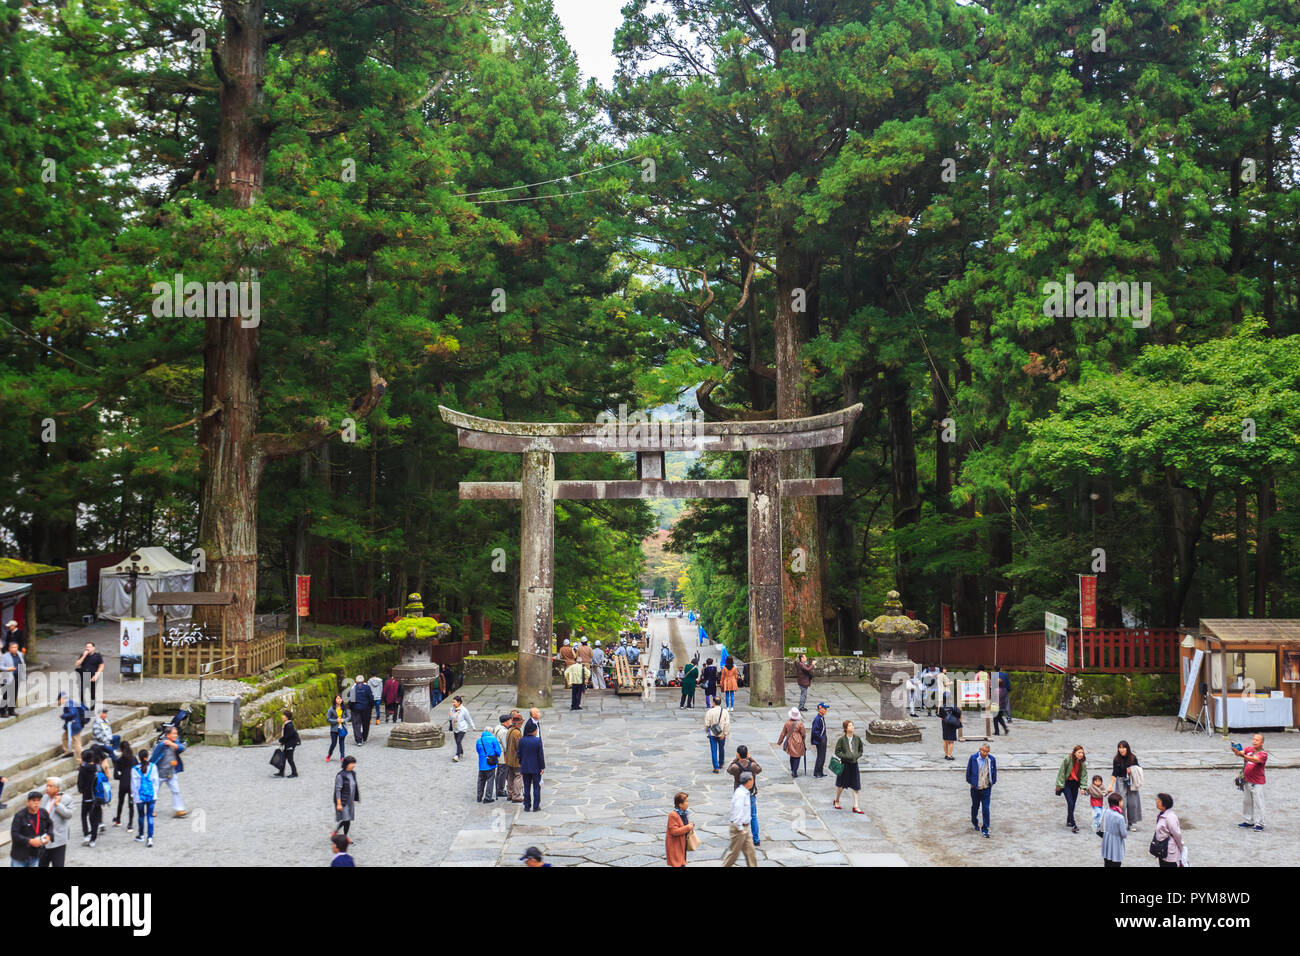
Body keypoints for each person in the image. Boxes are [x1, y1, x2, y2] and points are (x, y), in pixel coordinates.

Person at [727, 744, 762, 846]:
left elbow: (729, 770)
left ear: (738, 754)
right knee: (753, 816)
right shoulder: (752, 766)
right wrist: (751, 758)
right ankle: (756, 839)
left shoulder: (735, 767)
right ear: (747, 753)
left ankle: (740, 838)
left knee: (739, 816)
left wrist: (735, 759)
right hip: (750, 793)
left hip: (739, 794)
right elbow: (760, 769)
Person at [150, 725, 187, 817]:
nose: (175, 735)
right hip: (159, 773)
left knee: (176, 790)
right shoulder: (161, 744)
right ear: (167, 735)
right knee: (154, 792)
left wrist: (172, 744)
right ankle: (149, 810)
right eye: (174, 734)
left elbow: (182, 748)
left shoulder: (174, 742)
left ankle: (179, 809)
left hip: (171, 772)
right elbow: (154, 757)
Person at [1233, 732, 1268, 831]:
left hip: (1257, 782)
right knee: (1247, 801)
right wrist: (1236, 751)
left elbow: (1254, 760)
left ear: (1262, 743)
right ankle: (1249, 821)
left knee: (1259, 803)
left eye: (1257, 740)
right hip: (1247, 781)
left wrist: (1242, 756)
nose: (1254, 741)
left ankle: (1260, 823)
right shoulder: (1249, 749)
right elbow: (1241, 753)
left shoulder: (1263, 754)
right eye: (1253, 739)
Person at [722, 772, 758, 867]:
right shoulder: (740, 794)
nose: (753, 782)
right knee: (733, 855)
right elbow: (737, 813)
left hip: (746, 827)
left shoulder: (745, 792)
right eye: (752, 780)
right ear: (748, 781)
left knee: (751, 853)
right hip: (739, 829)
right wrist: (741, 829)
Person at [9, 791, 51, 867]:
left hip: (35, 854)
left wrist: (49, 836)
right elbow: (14, 834)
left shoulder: (43, 813)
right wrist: (29, 841)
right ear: (28, 802)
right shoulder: (20, 816)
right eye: (34, 801)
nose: (36, 803)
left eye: (38, 800)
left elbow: (50, 825)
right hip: (20, 855)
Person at [39, 777, 74, 867]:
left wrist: (58, 804)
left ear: (57, 788)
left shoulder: (66, 799)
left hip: (58, 840)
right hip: (43, 840)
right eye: (47, 786)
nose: (47, 788)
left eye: (50, 786)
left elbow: (69, 814)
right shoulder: (44, 798)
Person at [1107, 740, 1142, 831]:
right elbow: (1114, 773)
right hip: (1120, 781)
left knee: (1133, 803)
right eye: (1120, 747)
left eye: (1123, 747)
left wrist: (1132, 769)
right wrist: (1110, 785)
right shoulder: (1116, 759)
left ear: (1127, 748)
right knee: (1122, 803)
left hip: (1131, 781)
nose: (1121, 749)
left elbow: (1139, 769)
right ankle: (1121, 822)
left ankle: (1131, 823)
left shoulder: (1133, 758)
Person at [833, 719, 864, 813]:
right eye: (850, 726)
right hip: (845, 764)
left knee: (856, 785)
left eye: (852, 725)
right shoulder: (842, 740)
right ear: (846, 728)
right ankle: (837, 800)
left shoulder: (857, 738)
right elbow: (837, 751)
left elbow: (860, 750)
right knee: (841, 785)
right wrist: (846, 756)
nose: (852, 727)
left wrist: (856, 756)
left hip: (854, 764)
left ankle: (856, 805)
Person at [965, 742, 996, 838]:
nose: (985, 753)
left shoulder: (991, 759)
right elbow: (968, 771)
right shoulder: (973, 758)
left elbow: (994, 772)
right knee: (975, 806)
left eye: (987, 752)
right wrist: (971, 783)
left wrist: (992, 782)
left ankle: (985, 828)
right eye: (983, 751)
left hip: (986, 788)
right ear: (979, 750)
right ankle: (974, 821)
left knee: (986, 809)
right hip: (975, 788)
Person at [1054, 744, 1087, 833]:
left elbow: (1084, 775)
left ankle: (1069, 820)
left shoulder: (1082, 763)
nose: (1081, 754)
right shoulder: (1067, 759)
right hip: (1067, 784)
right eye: (1079, 752)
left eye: (1082, 753)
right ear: (1074, 752)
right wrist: (1060, 784)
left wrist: (1083, 787)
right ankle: (1073, 824)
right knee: (1070, 803)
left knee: (1073, 803)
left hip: (1075, 784)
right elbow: (1061, 772)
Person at [130, 748, 159, 847]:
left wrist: (134, 796)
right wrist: (154, 793)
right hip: (151, 795)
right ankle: (150, 837)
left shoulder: (134, 770)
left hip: (139, 796)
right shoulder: (153, 767)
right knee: (150, 816)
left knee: (141, 816)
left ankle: (141, 834)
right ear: (147, 757)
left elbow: (134, 786)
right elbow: (156, 783)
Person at [76, 751, 102, 847]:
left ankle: (86, 834)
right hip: (97, 797)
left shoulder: (82, 770)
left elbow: (80, 784)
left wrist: (82, 790)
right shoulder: (98, 768)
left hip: (86, 797)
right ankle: (93, 839)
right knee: (94, 818)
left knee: (84, 816)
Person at [518, 721, 545, 812]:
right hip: (536, 767)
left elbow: (519, 754)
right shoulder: (537, 740)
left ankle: (527, 806)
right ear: (533, 730)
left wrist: (522, 763)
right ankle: (536, 806)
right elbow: (540, 755)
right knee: (536, 787)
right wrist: (542, 767)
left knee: (526, 787)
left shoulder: (522, 740)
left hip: (525, 767)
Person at [1152, 793, 1184, 868]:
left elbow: (1177, 835)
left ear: (1164, 804)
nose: (1156, 802)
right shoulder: (1162, 814)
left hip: (1169, 851)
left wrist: (1182, 848)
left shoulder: (1170, 817)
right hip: (1162, 849)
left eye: (1158, 801)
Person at [112, 742, 137, 831]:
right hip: (132, 784)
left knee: (120, 802)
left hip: (123, 784)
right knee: (131, 805)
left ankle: (118, 820)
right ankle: (130, 824)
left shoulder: (119, 760)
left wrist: (122, 777)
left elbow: (115, 775)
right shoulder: (134, 759)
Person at [333, 755, 359, 839]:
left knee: (347, 819)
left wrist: (355, 798)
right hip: (343, 801)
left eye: (354, 763)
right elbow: (338, 790)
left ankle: (340, 833)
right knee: (346, 819)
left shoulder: (353, 773)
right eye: (352, 763)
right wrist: (339, 803)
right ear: (346, 764)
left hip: (350, 801)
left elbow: (355, 786)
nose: (353, 765)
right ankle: (344, 837)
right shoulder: (340, 776)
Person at [665, 791, 694, 867]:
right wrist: (688, 827)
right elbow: (674, 831)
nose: (688, 803)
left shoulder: (684, 813)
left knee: (681, 863)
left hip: (682, 844)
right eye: (686, 801)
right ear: (680, 804)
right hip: (675, 846)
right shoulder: (673, 815)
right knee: (678, 864)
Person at [777, 706, 806, 778]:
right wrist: (803, 739)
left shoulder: (787, 723)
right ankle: (795, 771)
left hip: (790, 740)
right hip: (798, 741)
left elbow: (783, 733)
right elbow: (803, 733)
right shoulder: (800, 723)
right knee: (797, 756)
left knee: (792, 755)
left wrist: (780, 741)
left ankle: (793, 768)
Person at [74, 641, 105, 708]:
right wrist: (84, 656)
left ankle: (91, 711)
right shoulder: (83, 655)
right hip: (83, 676)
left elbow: (101, 666)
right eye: (87, 647)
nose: (88, 648)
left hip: (92, 677)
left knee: (92, 694)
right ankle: (83, 708)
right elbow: (76, 664)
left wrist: (97, 675)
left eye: (89, 647)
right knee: (81, 693)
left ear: (93, 648)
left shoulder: (97, 656)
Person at [475, 728, 503, 803]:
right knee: (490, 780)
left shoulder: (479, 740)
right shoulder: (493, 739)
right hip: (490, 763)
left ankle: (479, 796)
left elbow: (478, 750)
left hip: (481, 764)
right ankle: (487, 797)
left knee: (480, 780)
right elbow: (498, 750)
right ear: (491, 732)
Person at [704, 696, 730, 772]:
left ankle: (716, 767)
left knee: (714, 750)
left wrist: (707, 731)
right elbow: (727, 724)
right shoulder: (725, 711)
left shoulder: (710, 712)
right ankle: (721, 763)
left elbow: (706, 723)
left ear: (714, 702)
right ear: (720, 703)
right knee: (721, 748)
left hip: (712, 733)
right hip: (721, 733)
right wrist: (725, 734)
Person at [58, 691, 85, 762]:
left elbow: (71, 714)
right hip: (72, 726)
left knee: (76, 743)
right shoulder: (70, 702)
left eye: (59, 700)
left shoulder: (68, 704)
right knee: (64, 737)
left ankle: (81, 761)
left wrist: (63, 716)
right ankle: (68, 751)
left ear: (62, 698)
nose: (60, 702)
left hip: (74, 726)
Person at [1101, 792, 1126, 866]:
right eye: (1121, 801)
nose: (1122, 803)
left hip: (1107, 840)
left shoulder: (1106, 811)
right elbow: (1124, 834)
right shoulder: (1120, 817)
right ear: (1118, 802)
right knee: (1116, 862)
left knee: (1107, 862)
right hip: (1116, 842)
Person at [504, 713, 524, 803]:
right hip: (516, 759)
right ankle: (516, 796)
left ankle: (510, 794)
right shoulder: (517, 732)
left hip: (509, 758)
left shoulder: (510, 730)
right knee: (518, 776)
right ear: (519, 723)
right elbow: (519, 747)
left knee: (511, 776)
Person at [349, 675, 374, 744]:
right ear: (363, 681)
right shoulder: (367, 687)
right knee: (366, 723)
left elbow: (351, 700)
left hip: (356, 708)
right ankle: (364, 737)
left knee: (356, 724)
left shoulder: (353, 688)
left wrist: (351, 707)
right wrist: (371, 706)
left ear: (356, 681)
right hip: (366, 708)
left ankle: (358, 740)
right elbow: (371, 698)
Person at [449, 695, 475, 761]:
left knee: (458, 741)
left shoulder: (464, 710)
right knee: (457, 742)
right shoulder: (452, 709)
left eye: (454, 702)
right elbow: (450, 718)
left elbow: (468, 719)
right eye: (453, 702)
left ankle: (457, 755)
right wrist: (450, 716)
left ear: (459, 702)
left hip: (462, 728)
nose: (453, 703)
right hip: (455, 728)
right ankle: (461, 752)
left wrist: (473, 726)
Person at [277, 709, 300, 778]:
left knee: (290, 759)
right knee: (283, 758)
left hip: (290, 744)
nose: (282, 716)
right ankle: (281, 772)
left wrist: (281, 740)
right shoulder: (287, 724)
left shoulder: (289, 725)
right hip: (288, 744)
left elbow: (287, 736)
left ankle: (294, 773)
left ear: (287, 717)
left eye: (283, 715)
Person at [326, 694, 348, 762]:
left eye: (340, 698)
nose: (339, 700)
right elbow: (328, 719)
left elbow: (349, 716)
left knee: (342, 743)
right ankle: (329, 755)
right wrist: (336, 720)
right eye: (337, 698)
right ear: (335, 700)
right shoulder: (331, 709)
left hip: (342, 728)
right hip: (334, 729)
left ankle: (342, 757)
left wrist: (343, 720)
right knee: (334, 743)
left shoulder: (344, 708)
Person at [810, 703, 830, 776]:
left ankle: (820, 771)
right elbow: (815, 731)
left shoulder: (821, 717)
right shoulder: (817, 719)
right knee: (820, 757)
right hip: (820, 739)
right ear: (820, 709)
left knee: (823, 756)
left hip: (823, 737)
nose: (826, 710)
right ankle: (817, 772)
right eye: (824, 709)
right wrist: (821, 738)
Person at [0, 641, 19, 716]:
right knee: (6, 695)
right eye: (12, 647)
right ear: (9, 648)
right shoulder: (4, 656)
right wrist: (8, 669)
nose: (14, 649)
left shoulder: (19, 655)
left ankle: (11, 711)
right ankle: (2, 712)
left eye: (15, 647)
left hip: (16, 677)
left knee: (14, 695)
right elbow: (0, 666)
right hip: (6, 677)